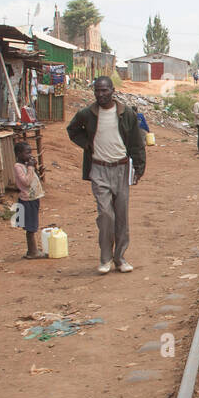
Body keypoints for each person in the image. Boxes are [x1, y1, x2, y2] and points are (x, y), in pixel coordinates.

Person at [66, 76, 146, 275]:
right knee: (105, 215)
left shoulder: (126, 114)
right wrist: (87, 144)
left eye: (104, 91)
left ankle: (120, 258)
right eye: (97, 91)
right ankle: (105, 259)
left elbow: (136, 143)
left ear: (112, 90)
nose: (100, 95)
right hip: (99, 170)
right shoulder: (87, 114)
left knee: (121, 216)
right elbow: (73, 130)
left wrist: (139, 168)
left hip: (121, 170)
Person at [12, 141, 47, 259]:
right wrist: (31, 167)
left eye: (30, 152)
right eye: (27, 153)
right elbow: (26, 182)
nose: (30, 155)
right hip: (27, 199)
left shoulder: (26, 165)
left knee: (32, 225)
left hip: (33, 198)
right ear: (18, 154)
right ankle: (33, 252)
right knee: (30, 227)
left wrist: (32, 166)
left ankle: (32, 250)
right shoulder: (18, 167)